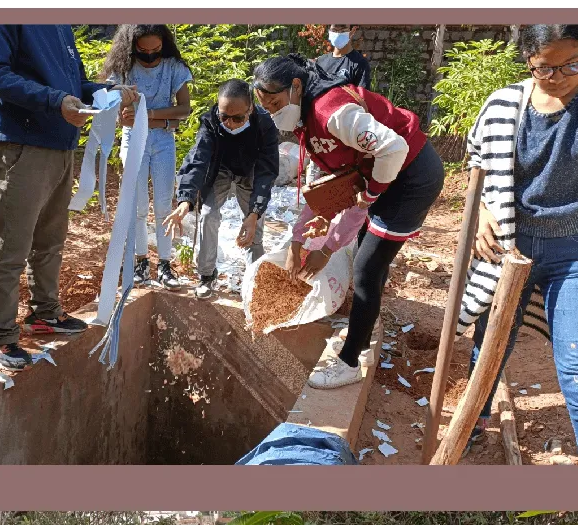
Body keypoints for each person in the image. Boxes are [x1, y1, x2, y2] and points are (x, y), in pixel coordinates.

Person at [459, 24, 578, 465]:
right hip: (510, 248)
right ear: (528, 59)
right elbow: (477, 159)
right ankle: (472, 424)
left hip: (577, 254)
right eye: (546, 68)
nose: (560, 77)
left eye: (573, 64)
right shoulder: (504, 105)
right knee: (490, 346)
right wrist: (484, 211)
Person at [253, 55, 445, 390]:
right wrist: (298, 242)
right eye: (266, 106)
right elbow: (333, 189)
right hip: (381, 176)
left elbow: (393, 149)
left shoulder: (332, 111)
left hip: (409, 176)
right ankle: (364, 336)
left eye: (275, 102)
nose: (272, 111)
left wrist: (327, 250)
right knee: (368, 258)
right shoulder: (306, 117)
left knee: (367, 268)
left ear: (296, 87)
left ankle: (349, 362)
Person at [0, 25, 139, 370]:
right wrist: (55, 101)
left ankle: (45, 314)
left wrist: (107, 92)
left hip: (60, 144)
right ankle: (0, 334)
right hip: (22, 143)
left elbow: (73, 87)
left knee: (50, 239)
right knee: (11, 245)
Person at [163, 79, 279, 299]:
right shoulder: (210, 122)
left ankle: (255, 279)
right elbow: (198, 159)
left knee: (255, 225)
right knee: (208, 215)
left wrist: (255, 212)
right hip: (221, 170)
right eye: (225, 117)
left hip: (251, 171)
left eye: (238, 118)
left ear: (251, 108)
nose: (231, 124)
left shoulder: (265, 125)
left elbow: (267, 171)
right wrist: (185, 200)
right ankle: (207, 276)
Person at [104, 25, 192, 290]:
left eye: (156, 50)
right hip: (134, 141)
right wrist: (120, 110)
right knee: (138, 206)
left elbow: (184, 108)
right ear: (132, 46)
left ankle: (165, 264)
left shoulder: (174, 67)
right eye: (144, 51)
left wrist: (148, 114)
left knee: (165, 206)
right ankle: (141, 261)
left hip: (164, 141)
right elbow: (110, 102)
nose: (151, 56)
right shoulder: (123, 67)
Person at [317, 26, 372, 90]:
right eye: (334, 30)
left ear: (352, 31)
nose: (338, 34)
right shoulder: (320, 61)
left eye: (343, 30)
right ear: (329, 31)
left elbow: (362, 97)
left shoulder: (360, 63)